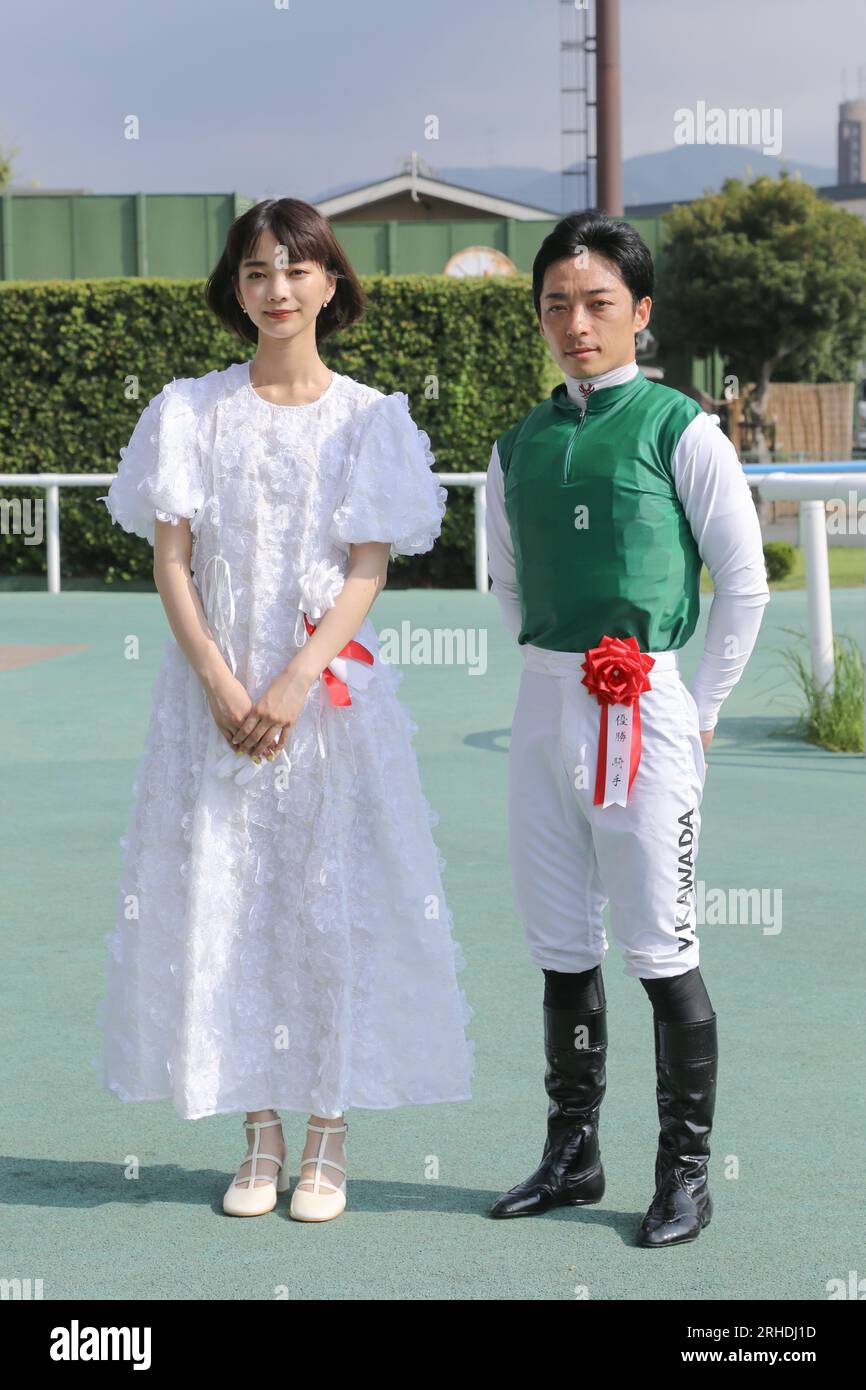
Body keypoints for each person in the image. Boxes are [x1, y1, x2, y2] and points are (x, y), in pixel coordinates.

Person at [94, 197, 474, 1223]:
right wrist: (222, 681)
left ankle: (327, 1139)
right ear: (236, 289)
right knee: (228, 898)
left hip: (328, 703)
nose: (276, 290)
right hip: (210, 703)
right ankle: (257, 1137)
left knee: (328, 904)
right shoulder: (187, 411)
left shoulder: (369, 419)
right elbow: (172, 563)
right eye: (256, 271)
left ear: (331, 285)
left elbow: (365, 566)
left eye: (296, 270)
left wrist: (294, 679)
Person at [484, 209, 770, 1246]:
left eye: (597, 302)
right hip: (543, 704)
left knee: (660, 949)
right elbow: (507, 587)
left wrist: (695, 711)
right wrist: (553, 677)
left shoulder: (676, 427)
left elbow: (741, 581)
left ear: (639, 313)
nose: (575, 322)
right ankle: (571, 1154)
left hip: (644, 706)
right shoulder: (515, 444)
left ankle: (683, 1173)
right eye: (555, 304)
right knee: (560, 944)